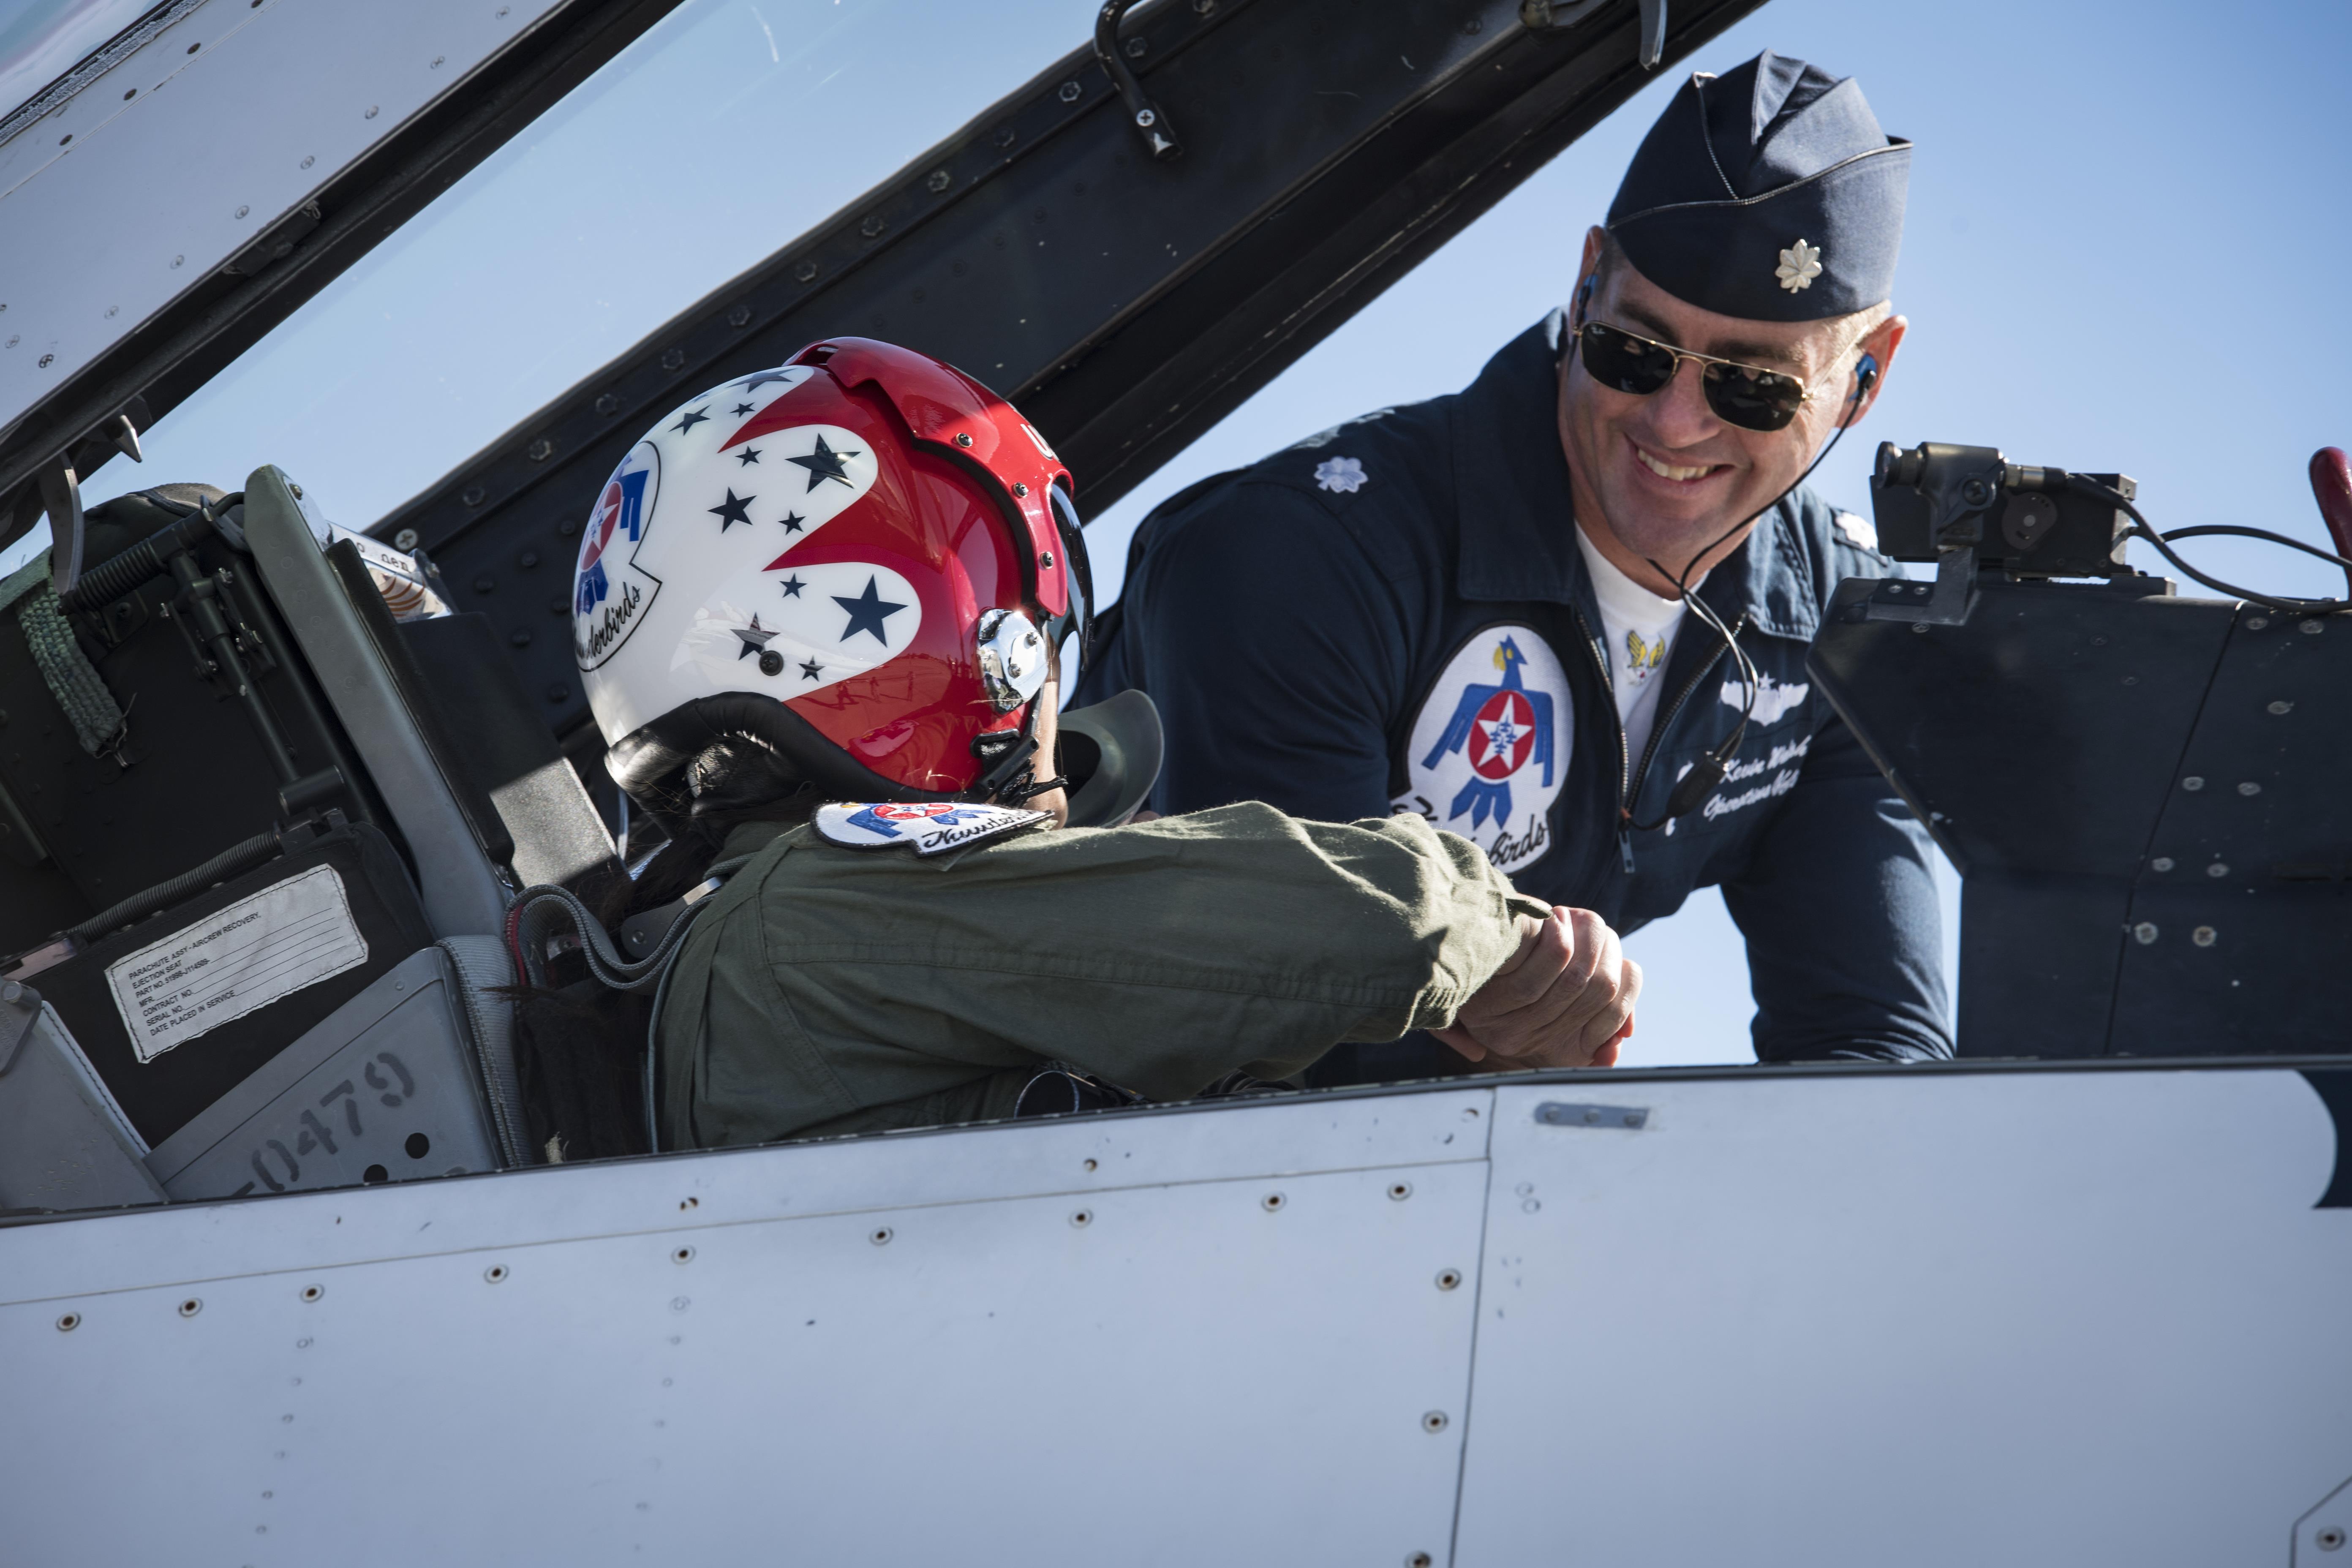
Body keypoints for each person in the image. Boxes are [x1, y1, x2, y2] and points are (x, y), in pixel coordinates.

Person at [520, 338, 1639, 1157]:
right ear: (983, 647)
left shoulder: (734, 938)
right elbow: (1385, 917)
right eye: (1036, 636)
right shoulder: (817, 921)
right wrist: (1531, 958)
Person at [1078, 51, 1952, 1080]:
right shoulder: (1299, 554)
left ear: (1866, 377)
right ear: (1587, 283)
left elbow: (1867, 1050)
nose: (1676, 422)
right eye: (1635, 352)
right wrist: (1510, 1007)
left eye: (1753, 389)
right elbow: (1297, 1013)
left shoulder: (1845, 633)